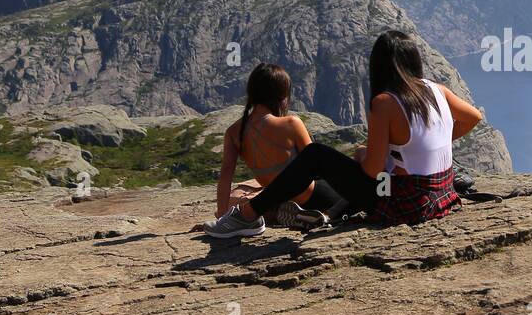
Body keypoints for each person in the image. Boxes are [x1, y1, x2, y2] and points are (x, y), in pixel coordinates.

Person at [205, 31, 483, 238]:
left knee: (315, 155)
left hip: (405, 204)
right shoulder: (438, 89)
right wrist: (427, 147)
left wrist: (363, 153)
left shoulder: (385, 102)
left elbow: (373, 171)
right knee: (330, 167)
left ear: (379, 67)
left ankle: (248, 215)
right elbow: (473, 117)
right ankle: (322, 214)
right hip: (442, 195)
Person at [212, 62, 344, 233]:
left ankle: (278, 212)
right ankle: (321, 215)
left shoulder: (233, 132)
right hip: (312, 195)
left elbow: (225, 176)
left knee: (247, 188)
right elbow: (315, 165)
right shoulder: (291, 123)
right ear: (282, 96)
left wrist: (223, 217)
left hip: (273, 198)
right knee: (355, 195)